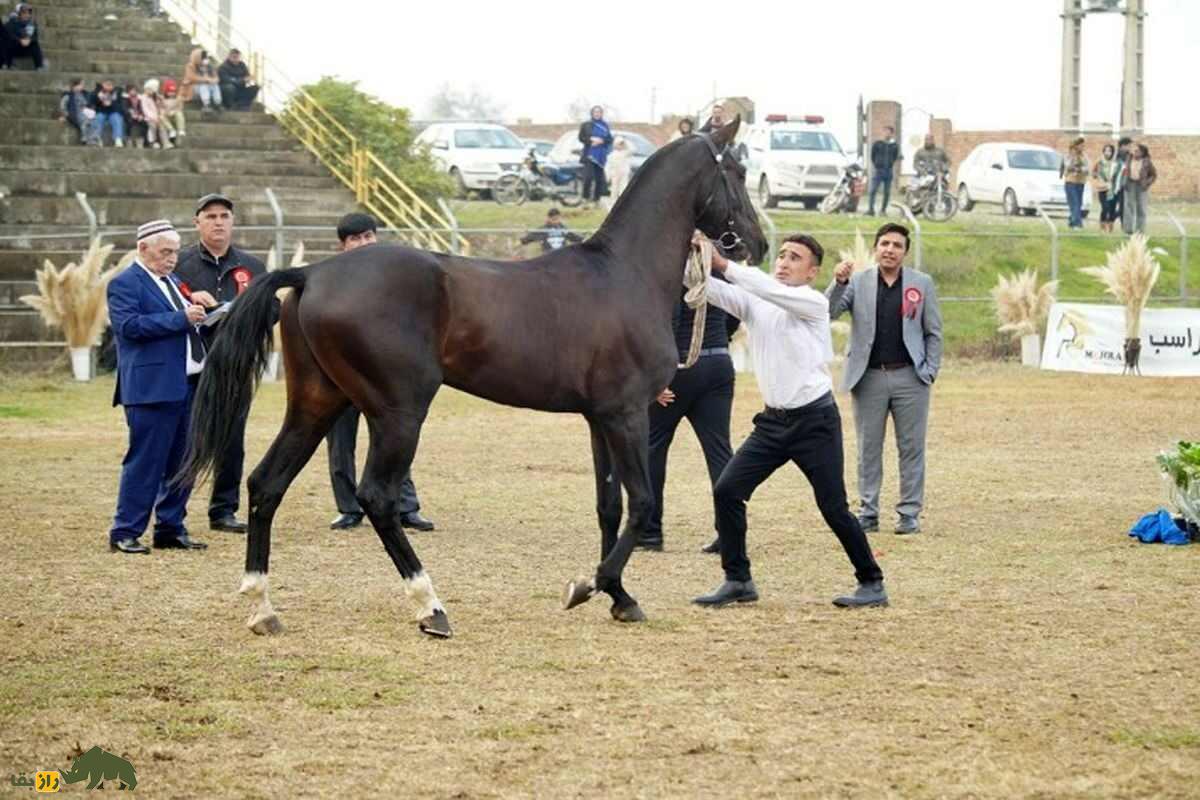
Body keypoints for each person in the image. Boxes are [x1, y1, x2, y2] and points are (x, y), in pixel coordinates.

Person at [691, 232, 887, 609]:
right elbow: (708, 288)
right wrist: (689, 256)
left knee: (833, 508)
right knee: (727, 490)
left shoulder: (813, 303)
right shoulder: (757, 301)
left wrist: (723, 263)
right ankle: (738, 580)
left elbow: (756, 284)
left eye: (795, 258)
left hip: (815, 422)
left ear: (812, 273)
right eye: (781, 255)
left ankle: (872, 582)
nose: (783, 262)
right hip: (772, 424)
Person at [106, 220, 216, 554]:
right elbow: (128, 327)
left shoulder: (174, 281)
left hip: (188, 384)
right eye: (165, 252)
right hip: (151, 387)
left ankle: (170, 528)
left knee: (183, 461)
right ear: (143, 248)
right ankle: (125, 531)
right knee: (146, 462)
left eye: (175, 252)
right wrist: (182, 318)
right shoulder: (125, 283)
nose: (172, 258)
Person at [827, 223, 942, 536]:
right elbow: (829, 312)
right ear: (876, 248)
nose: (890, 250)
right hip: (868, 378)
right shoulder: (858, 281)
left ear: (905, 252)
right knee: (868, 448)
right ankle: (868, 512)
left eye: (897, 245)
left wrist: (929, 370)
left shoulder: (921, 283)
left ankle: (909, 514)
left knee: (912, 448)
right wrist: (838, 282)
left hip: (911, 378)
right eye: (885, 244)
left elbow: (933, 331)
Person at [325, 213, 436, 533]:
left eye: (368, 236)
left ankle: (406, 506)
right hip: (342, 375)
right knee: (340, 445)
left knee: (394, 439)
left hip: (383, 377)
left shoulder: (393, 279)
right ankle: (348, 508)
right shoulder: (330, 280)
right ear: (343, 245)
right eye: (355, 238)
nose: (364, 243)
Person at [174, 193, 267, 533]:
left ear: (233, 222)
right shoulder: (179, 264)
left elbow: (271, 311)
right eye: (210, 216)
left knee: (231, 440)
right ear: (197, 222)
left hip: (234, 365)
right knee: (184, 438)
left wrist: (240, 315)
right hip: (190, 363)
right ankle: (172, 511)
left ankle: (224, 509)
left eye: (224, 216)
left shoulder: (253, 267)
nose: (218, 222)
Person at [641, 260, 740, 553]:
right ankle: (729, 532)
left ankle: (650, 532)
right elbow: (734, 315)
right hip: (718, 362)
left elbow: (665, 321)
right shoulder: (718, 270)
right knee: (719, 451)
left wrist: (657, 376)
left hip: (679, 368)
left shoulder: (667, 269)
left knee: (653, 447)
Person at [577, 105, 612, 206]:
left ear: (601, 114)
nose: (597, 114)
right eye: (595, 112)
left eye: (599, 112)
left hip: (600, 156)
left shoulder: (605, 125)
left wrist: (601, 141)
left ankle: (596, 200)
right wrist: (591, 140)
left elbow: (609, 139)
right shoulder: (586, 125)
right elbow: (581, 137)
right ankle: (585, 199)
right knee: (588, 178)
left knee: (599, 179)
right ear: (592, 113)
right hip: (589, 154)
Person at [1122, 143, 1156, 235]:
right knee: (1128, 207)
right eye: (1135, 150)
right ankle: (1128, 230)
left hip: (1141, 186)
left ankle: (1140, 231)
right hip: (1130, 184)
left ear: (1142, 153)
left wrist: (1147, 183)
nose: (1135, 152)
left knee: (1141, 208)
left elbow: (1153, 175)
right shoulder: (1128, 158)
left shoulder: (1147, 162)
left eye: (1137, 151)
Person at [868, 125, 900, 216]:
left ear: (892, 134)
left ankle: (883, 210)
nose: (886, 134)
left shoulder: (894, 145)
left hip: (888, 171)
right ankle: (871, 210)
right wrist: (877, 164)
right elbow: (873, 156)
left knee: (886, 192)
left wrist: (890, 164)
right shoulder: (877, 144)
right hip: (879, 170)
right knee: (873, 190)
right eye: (885, 131)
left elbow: (895, 157)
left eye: (888, 132)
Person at [1, 3, 44, 70]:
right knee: (6, 43)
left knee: (35, 45)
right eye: (24, 13)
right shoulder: (12, 23)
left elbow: (35, 36)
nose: (27, 15)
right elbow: (9, 35)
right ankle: (6, 64)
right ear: (19, 14)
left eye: (28, 13)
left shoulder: (32, 24)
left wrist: (29, 40)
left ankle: (39, 66)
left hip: (26, 48)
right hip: (15, 47)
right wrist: (19, 40)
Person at [1060, 136, 1089, 229]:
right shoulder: (1068, 155)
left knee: (1078, 203)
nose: (1083, 147)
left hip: (1080, 182)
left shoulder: (1084, 156)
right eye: (1081, 145)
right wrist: (1073, 161)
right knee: (1074, 203)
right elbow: (1067, 166)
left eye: (1083, 146)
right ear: (1076, 146)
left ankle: (1072, 221)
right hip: (1070, 182)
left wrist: (1080, 169)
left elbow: (1087, 168)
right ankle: (1077, 223)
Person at [181, 47, 221, 113]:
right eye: (203, 58)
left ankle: (218, 103)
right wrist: (206, 79)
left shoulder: (209, 66)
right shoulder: (191, 66)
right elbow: (191, 77)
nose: (205, 59)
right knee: (203, 85)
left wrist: (213, 80)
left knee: (215, 85)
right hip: (192, 87)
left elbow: (216, 78)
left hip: (208, 87)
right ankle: (206, 105)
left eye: (206, 57)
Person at [87, 79, 126, 147]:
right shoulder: (96, 92)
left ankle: (118, 139)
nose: (108, 87)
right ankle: (96, 139)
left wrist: (112, 103)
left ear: (113, 86)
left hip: (113, 111)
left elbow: (121, 106)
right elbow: (91, 103)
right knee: (98, 118)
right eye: (106, 85)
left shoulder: (117, 92)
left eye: (110, 85)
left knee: (117, 118)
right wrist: (100, 100)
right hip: (101, 111)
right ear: (103, 85)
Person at [141, 78, 175, 149]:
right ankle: (153, 142)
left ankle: (166, 143)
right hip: (149, 118)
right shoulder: (143, 98)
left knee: (162, 127)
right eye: (150, 90)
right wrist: (154, 118)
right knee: (153, 126)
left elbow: (163, 106)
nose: (151, 92)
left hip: (158, 117)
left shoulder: (155, 97)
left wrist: (161, 100)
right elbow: (146, 110)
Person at [1092, 143, 1117, 233]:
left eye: (1109, 151)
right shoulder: (1099, 162)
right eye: (1106, 150)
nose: (1107, 153)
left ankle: (1110, 227)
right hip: (1102, 188)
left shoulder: (1115, 163)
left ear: (1112, 152)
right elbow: (1093, 173)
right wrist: (1097, 177)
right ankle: (1102, 226)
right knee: (1105, 207)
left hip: (1112, 189)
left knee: (1112, 209)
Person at [604, 137, 635, 208]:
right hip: (615, 174)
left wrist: (625, 142)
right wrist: (607, 176)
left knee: (623, 188)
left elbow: (633, 149)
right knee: (614, 189)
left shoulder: (625, 153)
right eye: (619, 144)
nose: (620, 146)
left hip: (623, 174)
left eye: (621, 144)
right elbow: (608, 166)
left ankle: (623, 203)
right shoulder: (611, 155)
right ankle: (613, 204)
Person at [58, 78, 91, 145]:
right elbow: (62, 106)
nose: (83, 86)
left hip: (83, 112)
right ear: (74, 86)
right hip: (73, 113)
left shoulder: (84, 94)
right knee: (84, 121)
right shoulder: (68, 95)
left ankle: (91, 138)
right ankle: (84, 137)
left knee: (92, 120)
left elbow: (87, 104)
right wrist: (65, 115)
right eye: (81, 85)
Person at [1110, 136, 1133, 226]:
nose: (1130, 147)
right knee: (1118, 205)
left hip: (1126, 184)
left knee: (1124, 205)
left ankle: (1122, 223)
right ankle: (1112, 218)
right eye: (1128, 145)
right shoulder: (1115, 156)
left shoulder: (1130, 156)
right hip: (1117, 184)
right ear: (1123, 146)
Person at [124, 83, 149, 148]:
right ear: (128, 91)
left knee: (144, 123)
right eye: (132, 90)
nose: (133, 92)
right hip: (129, 116)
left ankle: (142, 140)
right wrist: (131, 114)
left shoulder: (140, 99)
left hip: (138, 116)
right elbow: (125, 108)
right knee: (129, 122)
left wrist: (141, 115)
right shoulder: (125, 98)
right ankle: (129, 140)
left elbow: (142, 108)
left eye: (135, 90)